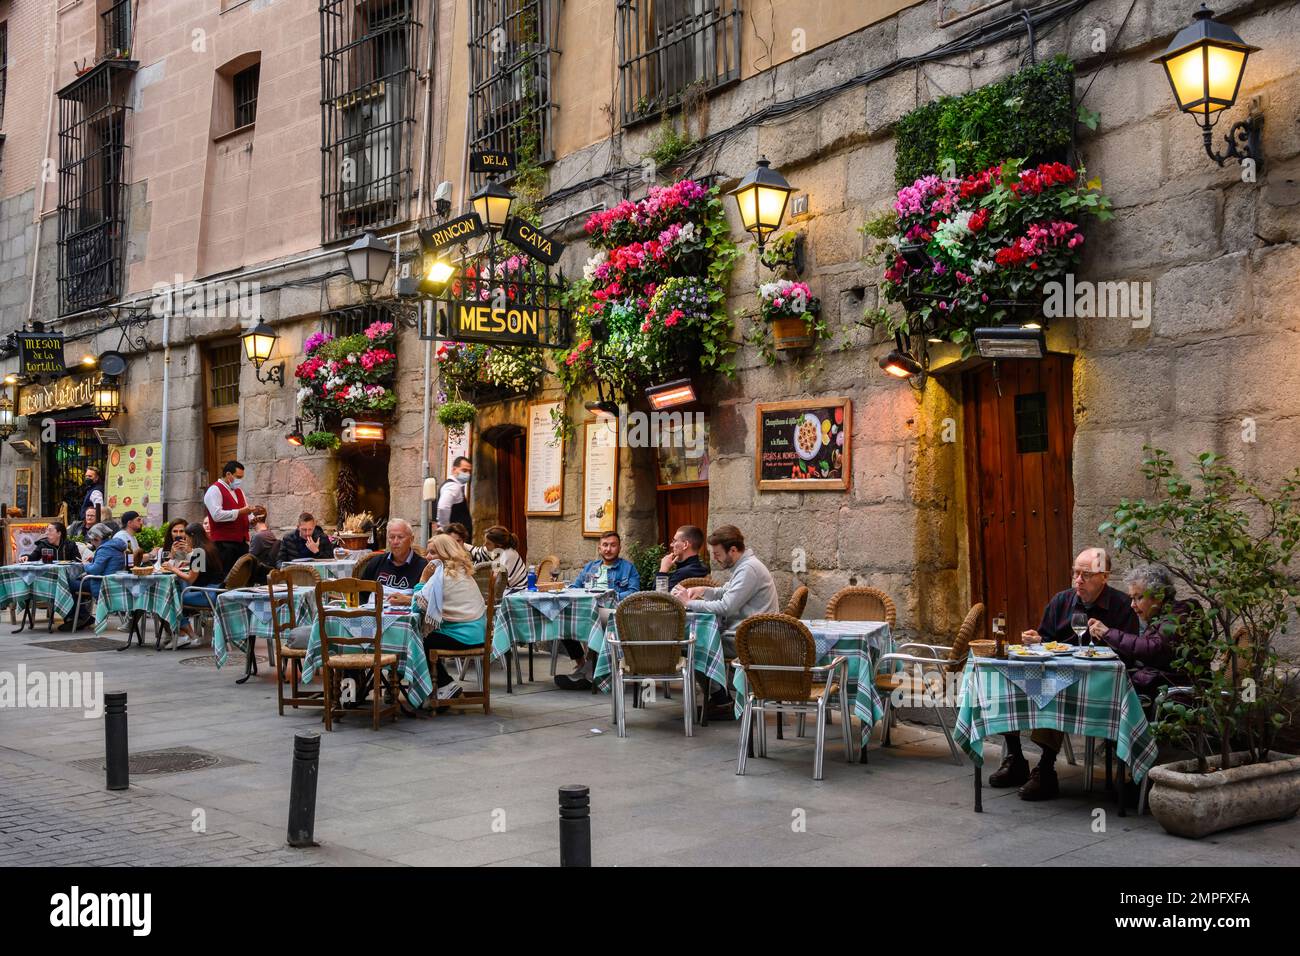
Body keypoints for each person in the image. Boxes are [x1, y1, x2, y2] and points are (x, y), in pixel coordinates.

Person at [991, 547, 1141, 801]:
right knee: (1007, 681)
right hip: (1057, 675)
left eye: (1086, 575)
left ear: (1104, 576)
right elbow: (1048, 641)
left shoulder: (1121, 607)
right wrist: (1036, 640)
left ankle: (1046, 770)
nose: (1078, 580)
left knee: (1053, 690)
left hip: (1099, 684)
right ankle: (1015, 758)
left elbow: (1128, 653)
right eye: (1075, 573)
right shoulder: (1062, 601)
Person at [1089, 563, 1201, 697]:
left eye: (1139, 597)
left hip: (1172, 696)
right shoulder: (1160, 616)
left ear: (1159, 596)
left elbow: (1153, 648)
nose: (1132, 605)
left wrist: (1108, 633)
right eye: (1132, 598)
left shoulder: (1178, 616)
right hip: (1157, 687)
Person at [555, 532, 641, 690]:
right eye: (605, 545)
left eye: (613, 545)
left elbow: (634, 593)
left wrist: (608, 597)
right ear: (599, 548)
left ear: (619, 547)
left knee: (596, 620)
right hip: (587, 610)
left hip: (612, 612)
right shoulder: (590, 567)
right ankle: (582, 664)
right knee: (560, 618)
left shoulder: (628, 568)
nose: (609, 549)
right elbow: (575, 586)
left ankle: (589, 671)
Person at [413, 534, 489, 710]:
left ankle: (443, 686)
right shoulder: (459, 570)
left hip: (464, 635)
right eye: (427, 552)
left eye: (433, 553)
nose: (428, 557)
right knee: (426, 638)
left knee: (418, 641)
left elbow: (416, 607)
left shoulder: (442, 575)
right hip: (476, 631)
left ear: (445, 554)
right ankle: (442, 686)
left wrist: (423, 578)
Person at [677, 525, 779, 642]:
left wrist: (689, 603)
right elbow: (725, 592)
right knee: (691, 637)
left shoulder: (748, 569)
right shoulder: (744, 565)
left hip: (752, 640)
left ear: (733, 550)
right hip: (748, 633)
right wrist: (702, 590)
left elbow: (726, 607)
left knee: (690, 642)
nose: (715, 558)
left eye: (717, 554)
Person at [59, 523, 127, 631]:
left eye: (92, 540)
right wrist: (93, 561)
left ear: (98, 538)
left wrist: (85, 565)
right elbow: (103, 566)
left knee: (66, 583)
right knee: (75, 582)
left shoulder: (104, 549)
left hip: (101, 584)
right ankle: (82, 615)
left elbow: (95, 570)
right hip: (112, 583)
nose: (92, 543)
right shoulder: (114, 546)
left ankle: (81, 616)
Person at [169, 522, 226, 648]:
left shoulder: (199, 553)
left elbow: (190, 579)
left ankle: (187, 634)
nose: (185, 539)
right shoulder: (210, 547)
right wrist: (176, 554)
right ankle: (184, 635)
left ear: (192, 536)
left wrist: (173, 569)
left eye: (186, 537)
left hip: (206, 594)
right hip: (216, 590)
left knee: (172, 598)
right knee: (179, 587)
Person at [203, 460, 259, 573]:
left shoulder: (239, 492)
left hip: (241, 543)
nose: (240, 481)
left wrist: (252, 520)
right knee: (227, 579)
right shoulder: (214, 490)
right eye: (238, 477)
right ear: (228, 474)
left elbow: (245, 512)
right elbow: (216, 515)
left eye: (242, 477)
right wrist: (240, 512)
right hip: (224, 544)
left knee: (243, 577)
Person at [360, 519, 427, 598]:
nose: (395, 542)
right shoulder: (376, 562)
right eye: (392, 537)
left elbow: (427, 600)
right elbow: (361, 594)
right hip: (375, 609)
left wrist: (408, 601)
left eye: (400, 537)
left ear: (411, 539)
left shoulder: (423, 567)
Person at [467, 525, 527, 590]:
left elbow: (500, 583)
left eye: (488, 543)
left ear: (498, 545)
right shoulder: (495, 550)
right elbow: (476, 551)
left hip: (516, 591)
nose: (484, 545)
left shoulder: (508, 555)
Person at [436, 456, 474, 540]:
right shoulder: (453, 486)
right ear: (454, 470)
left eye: (469, 471)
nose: (467, 474)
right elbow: (443, 507)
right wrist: (445, 529)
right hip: (455, 539)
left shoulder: (454, 485)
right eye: (464, 470)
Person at [248, 514, 280, 585]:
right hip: (268, 570)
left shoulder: (258, 536)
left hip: (261, 572)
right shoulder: (270, 533)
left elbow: (250, 558)